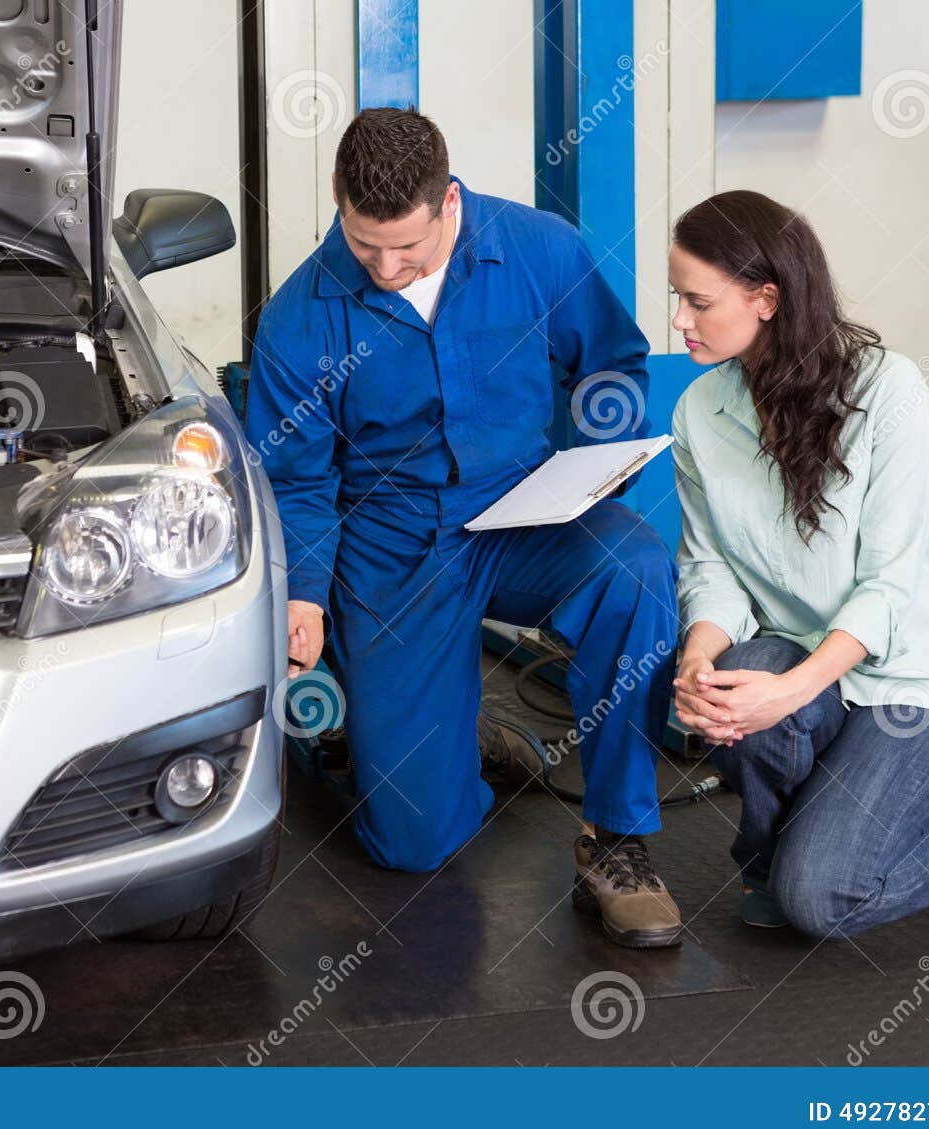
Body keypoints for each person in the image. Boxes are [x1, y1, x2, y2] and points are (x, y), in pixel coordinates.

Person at [244, 108, 684, 948]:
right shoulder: (301, 314)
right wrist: (303, 595)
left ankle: (616, 837)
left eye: (407, 247)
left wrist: (599, 456)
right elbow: (298, 478)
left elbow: (613, 363)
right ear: (338, 197)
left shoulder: (539, 249)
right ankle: (443, 733)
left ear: (449, 200)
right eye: (365, 244)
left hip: (527, 511)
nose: (386, 268)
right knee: (412, 844)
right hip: (395, 541)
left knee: (634, 568)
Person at [666, 190, 929, 939]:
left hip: (910, 685)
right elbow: (710, 566)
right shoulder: (697, 411)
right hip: (798, 663)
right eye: (677, 299)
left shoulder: (888, 390)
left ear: (765, 299)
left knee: (819, 902)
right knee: (734, 677)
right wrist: (698, 660)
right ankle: (777, 857)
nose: (680, 320)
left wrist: (787, 692)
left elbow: (890, 582)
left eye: (698, 302)